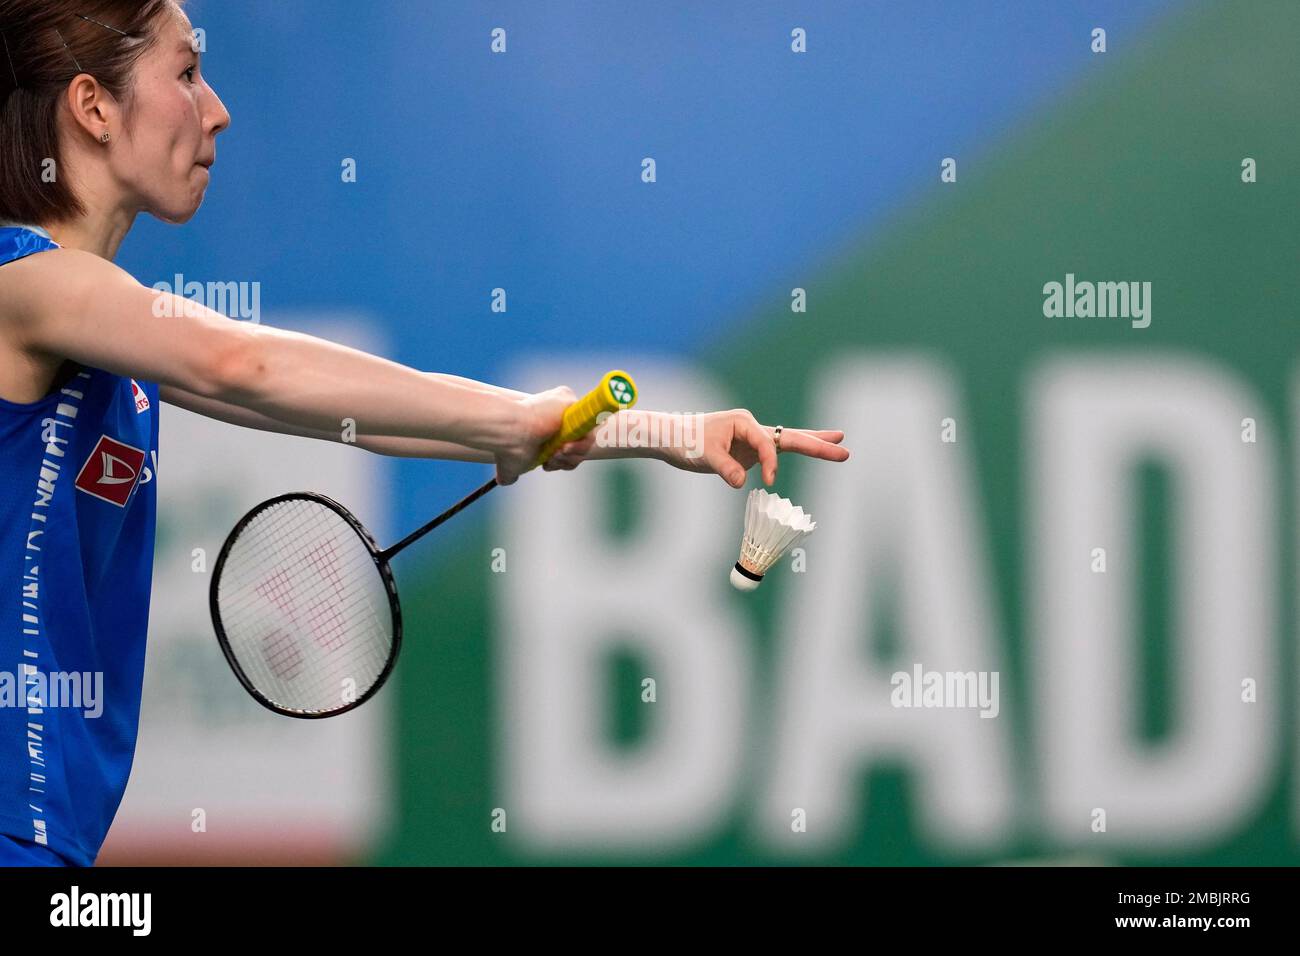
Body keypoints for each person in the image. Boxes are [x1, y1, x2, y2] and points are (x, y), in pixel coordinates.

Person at [0, 0, 849, 866]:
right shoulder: (23, 287)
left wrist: (660, 430)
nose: (217, 108)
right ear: (92, 106)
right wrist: (517, 420)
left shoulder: (112, 342)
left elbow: (352, 413)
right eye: (185, 74)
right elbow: (245, 366)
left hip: (52, 837)